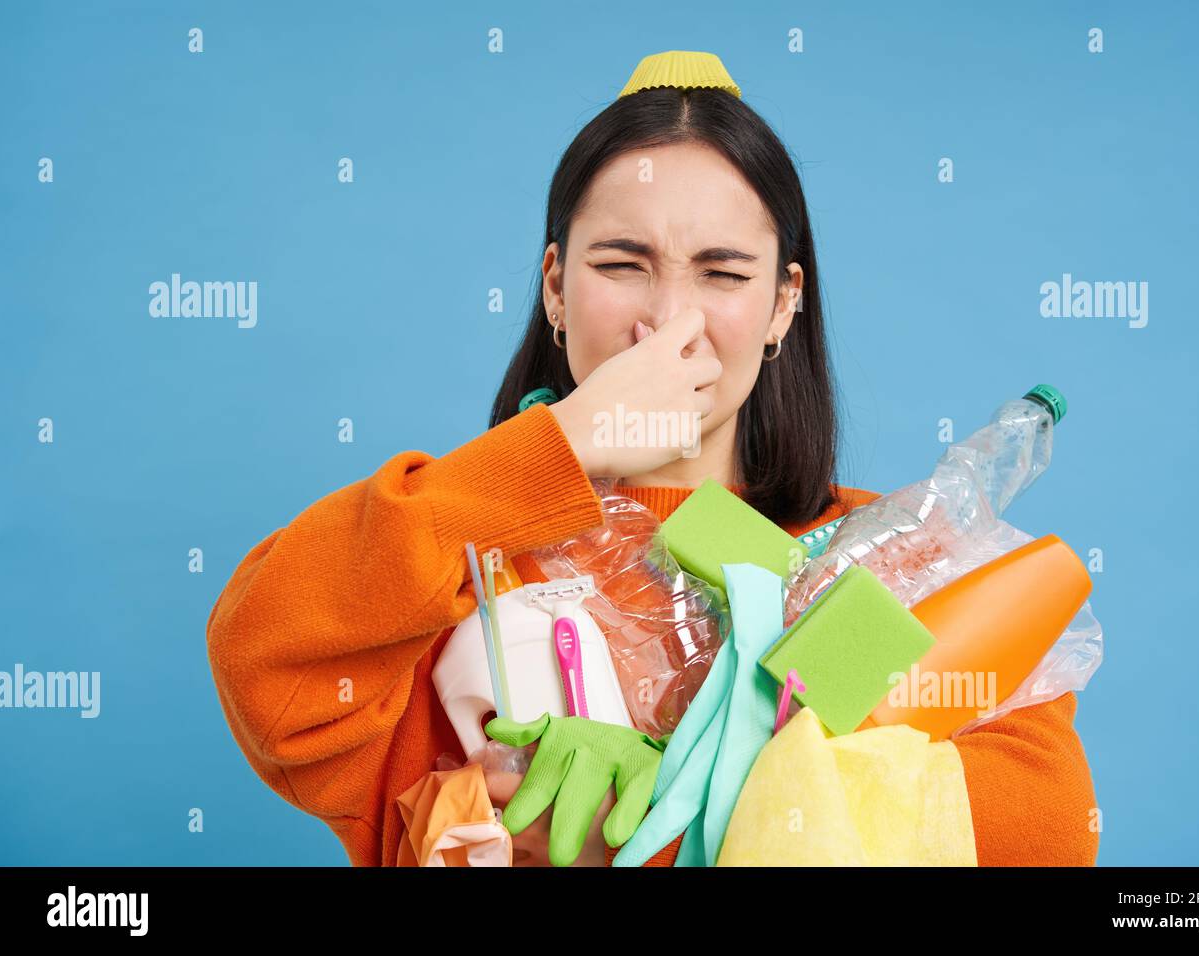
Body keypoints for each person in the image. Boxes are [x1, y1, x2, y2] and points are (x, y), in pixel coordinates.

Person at [205, 50, 1099, 867]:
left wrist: (665, 803)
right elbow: (265, 660)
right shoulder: (458, 579)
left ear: (785, 304)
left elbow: (1046, 833)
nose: (668, 320)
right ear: (555, 285)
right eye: (622, 263)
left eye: (723, 272)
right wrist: (556, 451)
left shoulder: (899, 565)